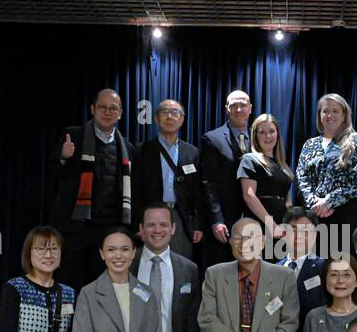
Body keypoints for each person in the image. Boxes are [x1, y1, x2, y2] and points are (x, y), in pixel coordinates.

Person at [45, 88, 134, 288]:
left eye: (113, 108)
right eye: (102, 107)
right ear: (93, 109)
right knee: (68, 284)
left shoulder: (127, 148)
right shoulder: (72, 136)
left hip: (108, 231)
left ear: (120, 113)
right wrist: (63, 157)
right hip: (74, 228)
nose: (107, 112)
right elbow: (51, 176)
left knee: (102, 287)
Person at [133, 203, 201, 332]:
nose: (157, 230)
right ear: (141, 229)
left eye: (163, 225)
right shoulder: (128, 265)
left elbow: (192, 323)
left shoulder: (188, 269)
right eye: (151, 225)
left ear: (173, 228)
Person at [295, 92, 357, 255]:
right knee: (314, 267)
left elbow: (356, 178)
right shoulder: (310, 144)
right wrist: (315, 202)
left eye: (335, 111)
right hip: (314, 214)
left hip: (344, 213)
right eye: (325, 111)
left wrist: (329, 202)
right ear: (319, 115)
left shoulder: (356, 140)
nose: (330, 115)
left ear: (344, 115)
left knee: (340, 265)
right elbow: (301, 177)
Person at [131, 99, 203, 260]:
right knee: (148, 264)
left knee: (181, 264)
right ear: (156, 119)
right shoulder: (142, 150)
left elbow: (198, 192)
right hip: (150, 216)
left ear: (182, 119)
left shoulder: (192, 152)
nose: (169, 116)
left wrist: (197, 225)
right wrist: (138, 223)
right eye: (164, 112)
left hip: (180, 217)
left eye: (175, 112)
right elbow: (135, 190)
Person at [201, 89, 254, 266]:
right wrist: (217, 220)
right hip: (226, 222)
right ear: (226, 109)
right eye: (234, 105)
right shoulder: (212, 138)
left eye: (243, 105)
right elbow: (209, 184)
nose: (239, 109)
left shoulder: (261, 137)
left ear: (250, 108)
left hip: (255, 219)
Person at [238, 113, 294, 248]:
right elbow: (249, 196)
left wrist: (289, 225)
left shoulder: (282, 164)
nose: (268, 136)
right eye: (262, 132)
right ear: (255, 136)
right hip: (260, 225)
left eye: (271, 131)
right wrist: (272, 225)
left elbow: (288, 201)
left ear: (277, 134)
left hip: (281, 225)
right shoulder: (249, 160)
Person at [276, 207, 325, 320]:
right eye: (293, 230)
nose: (298, 236)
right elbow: (270, 306)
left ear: (315, 235)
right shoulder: (274, 269)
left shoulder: (323, 268)